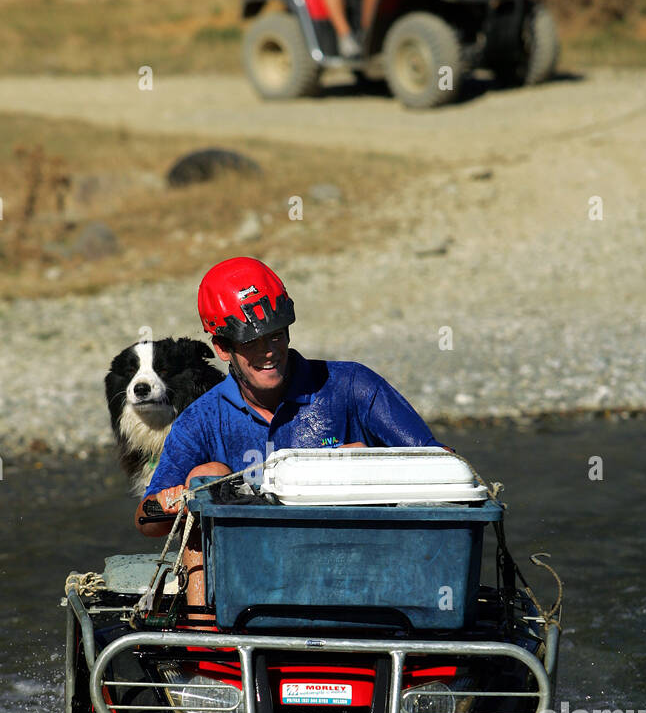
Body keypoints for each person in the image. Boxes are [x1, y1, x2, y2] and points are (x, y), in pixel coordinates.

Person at [134, 256, 451, 615]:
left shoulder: (353, 385)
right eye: (253, 342)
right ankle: (206, 635)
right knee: (205, 477)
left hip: (363, 579)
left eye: (277, 335)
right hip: (249, 589)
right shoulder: (200, 419)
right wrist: (174, 499)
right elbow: (146, 521)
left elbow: (442, 465)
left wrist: (366, 465)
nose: (269, 351)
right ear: (222, 348)